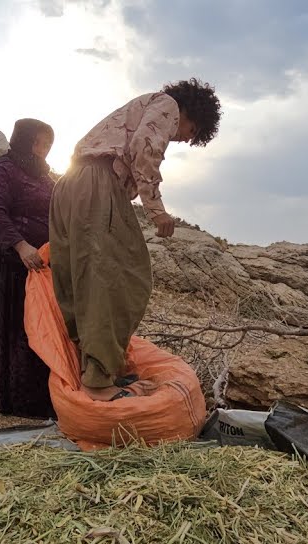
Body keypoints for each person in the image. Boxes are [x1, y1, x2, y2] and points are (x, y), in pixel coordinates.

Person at [50, 78, 222, 402]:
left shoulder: (143, 105)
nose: (186, 139)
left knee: (78, 279)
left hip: (70, 184)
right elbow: (145, 145)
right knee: (122, 278)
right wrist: (156, 209)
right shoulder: (168, 105)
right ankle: (99, 383)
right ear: (190, 113)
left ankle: (87, 369)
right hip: (98, 184)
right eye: (192, 131)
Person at [0, 118, 57, 418]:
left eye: (48, 145)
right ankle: (9, 395)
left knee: (37, 327)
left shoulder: (46, 178)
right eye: (39, 142)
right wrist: (21, 245)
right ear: (24, 141)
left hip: (39, 264)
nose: (44, 150)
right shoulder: (4, 169)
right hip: (9, 261)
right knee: (13, 329)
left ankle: (37, 394)